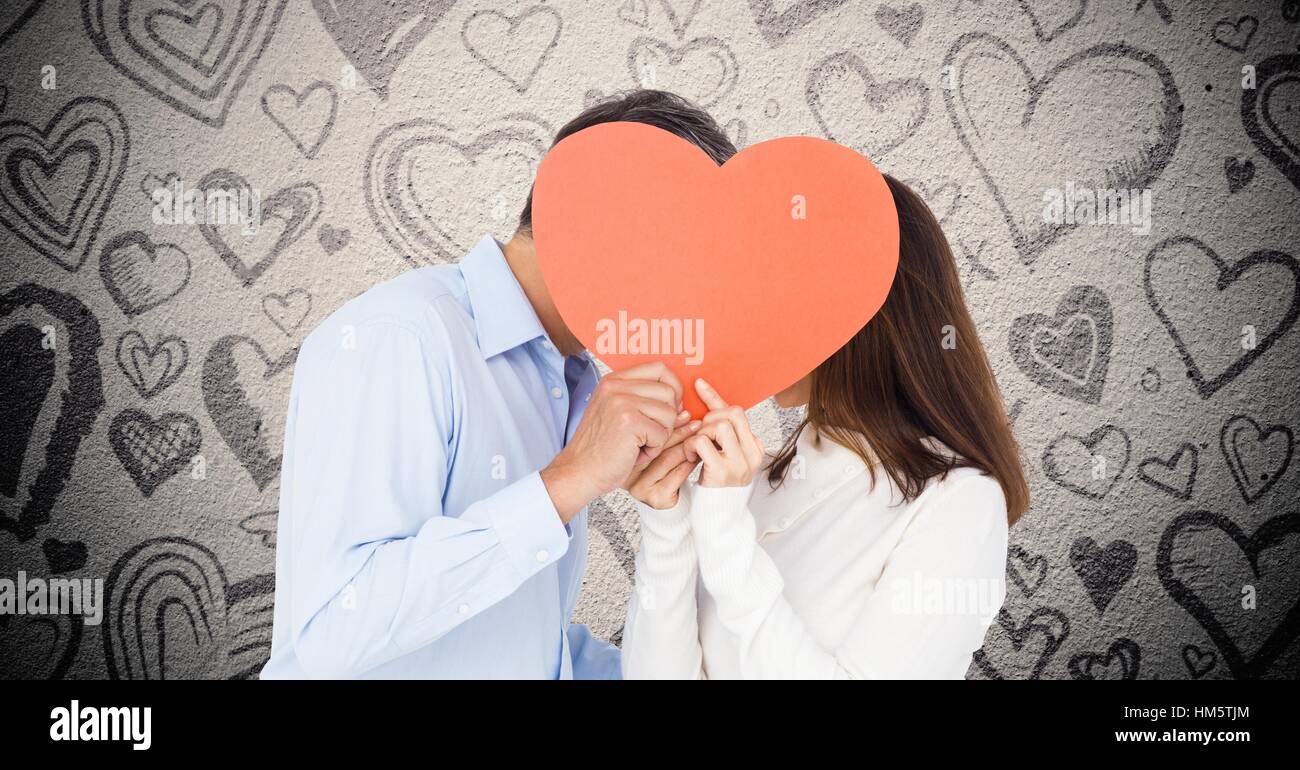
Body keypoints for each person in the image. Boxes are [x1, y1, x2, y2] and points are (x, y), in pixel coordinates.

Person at [260, 90, 737, 679]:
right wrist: (567, 481)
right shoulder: (397, 338)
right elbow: (331, 632)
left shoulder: (567, 378)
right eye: (692, 259)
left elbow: (512, 639)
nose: (695, 301)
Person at [621, 176, 1029, 679]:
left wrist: (727, 536)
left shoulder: (959, 502)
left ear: (850, 313)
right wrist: (668, 521)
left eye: (768, 288)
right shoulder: (747, 482)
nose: (744, 316)